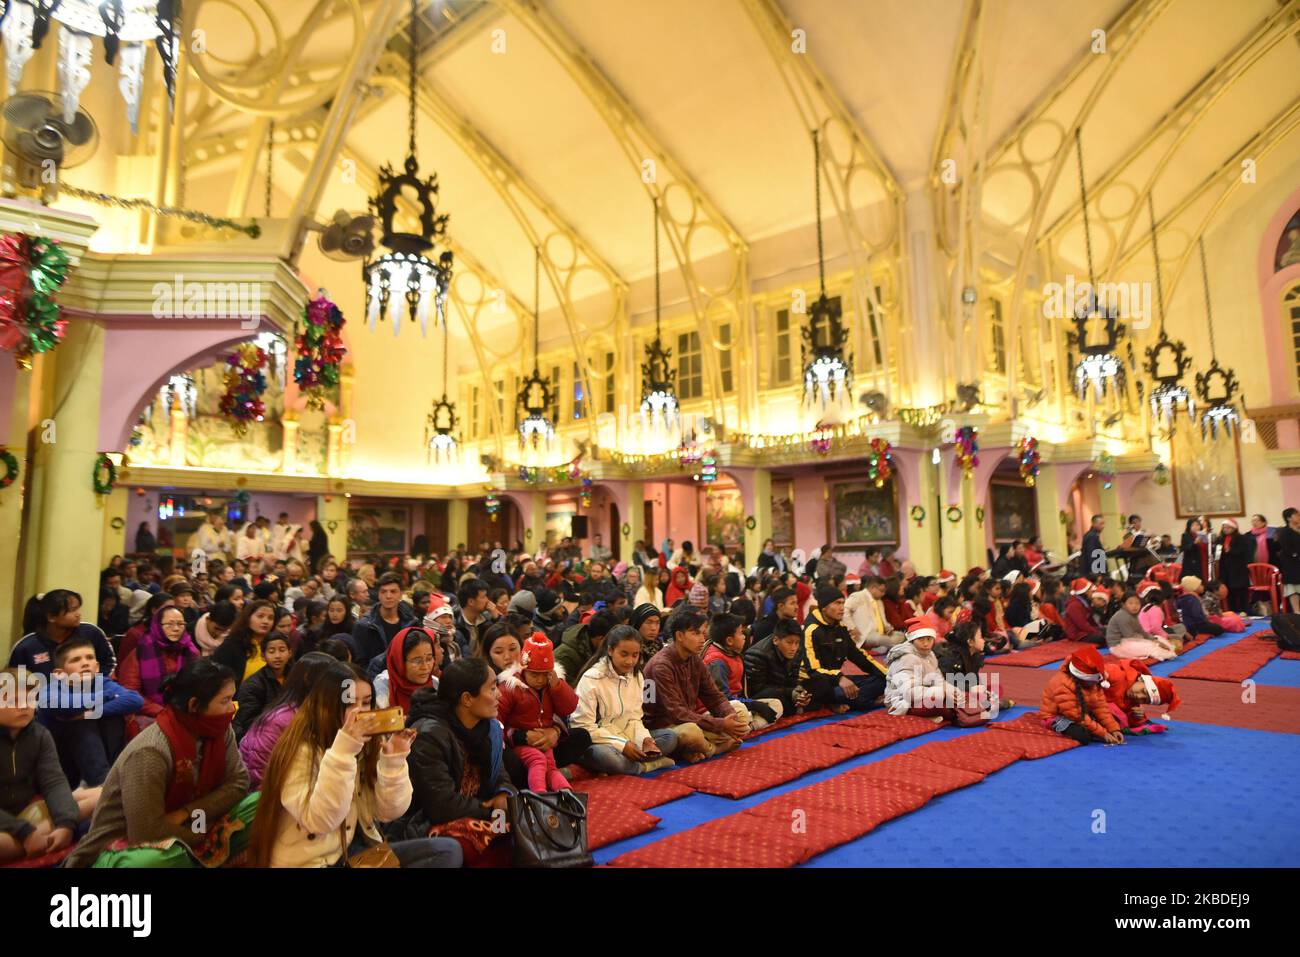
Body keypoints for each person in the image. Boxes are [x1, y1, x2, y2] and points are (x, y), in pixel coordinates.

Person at [247, 664, 459, 868]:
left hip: (357, 851)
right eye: (349, 703)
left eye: (366, 702)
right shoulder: (299, 749)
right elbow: (321, 822)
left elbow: (388, 812)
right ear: (327, 705)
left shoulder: (368, 744)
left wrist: (393, 761)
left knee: (448, 851)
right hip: (313, 860)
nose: (359, 712)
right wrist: (343, 751)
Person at [67, 658, 256, 867]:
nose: (232, 708)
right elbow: (146, 833)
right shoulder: (151, 751)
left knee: (258, 803)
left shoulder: (220, 730)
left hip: (192, 823)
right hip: (129, 847)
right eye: (225, 700)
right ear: (194, 705)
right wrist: (204, 834)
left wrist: (190, 814)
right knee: (150, 861)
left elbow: (238, 782)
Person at [388, 659, 514, 866]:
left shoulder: (486, 727)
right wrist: (492, 810)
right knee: (482, 844)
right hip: (426, 823)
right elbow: (441, 805)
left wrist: (503, 793)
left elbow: (499, 771)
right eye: (492, 688)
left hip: (475, 810)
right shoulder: (429, 736)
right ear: (466, 699)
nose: (499, 694)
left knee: (519, 829)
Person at [0, 668, 90, 863]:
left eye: (31, 699)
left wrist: (66, 824)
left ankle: (41, 837)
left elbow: (54, 781)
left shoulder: (40, 735)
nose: (24, 706)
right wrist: (24, 832)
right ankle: (30, 840)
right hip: (10, 824)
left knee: (99, 797)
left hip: (25, 812)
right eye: (14, 700)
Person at [643, 609, 749, 761]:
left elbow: (714, 696)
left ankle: (695, 748)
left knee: (740, 712)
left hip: (691, 720)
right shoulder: (662, 665)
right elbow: (677, 713)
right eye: (696, 633)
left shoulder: (694, 659)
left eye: (702, 633)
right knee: (691, 732)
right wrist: (721, 725)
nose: (702, 638)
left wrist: (730, 717)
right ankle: (713, 749)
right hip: (666, 727)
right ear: (679, 636)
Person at [572, 626, 679, 775]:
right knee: (605, 757)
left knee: (670, 737)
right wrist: (622, 745)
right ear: (610, 651)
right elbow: (583, 727)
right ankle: (646, 766)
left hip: (628, 736)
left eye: (635, 655)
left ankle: (628, 764)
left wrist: (645, 739)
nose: (630, 661)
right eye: (624, 654)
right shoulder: (592, 679)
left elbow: (635, 717)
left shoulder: (637, 676)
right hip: (601, 741)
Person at [40, 636, 143, 788]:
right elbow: (65, 706)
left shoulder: (101, 682)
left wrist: (92, 712)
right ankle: (102, 784)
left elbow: (135, 700)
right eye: (75, 660)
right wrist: (106, 696)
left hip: (99, 754)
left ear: (97, 666)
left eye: (89, 657)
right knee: (80, 722)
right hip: (61, 760)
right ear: (59, 673)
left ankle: (115, 777)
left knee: (111, 717)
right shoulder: (52, 689)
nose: (85, 663)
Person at [497, 635, 589, 791]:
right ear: (524, 669)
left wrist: (557, 686)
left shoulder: (552, 684)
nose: (540, 680)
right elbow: (496, 722)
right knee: (538, 761)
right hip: (518, 744)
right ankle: (540, 797)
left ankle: (567, 794)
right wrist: (518, 737)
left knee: (551, 766)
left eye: (544, 674)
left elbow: (568, 708)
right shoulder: (510, 687)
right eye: (534, 675)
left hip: (546, 742)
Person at [239, 653, 343, 788]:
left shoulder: (324, 712)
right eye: (331, 681)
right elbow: (257, 771)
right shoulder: (279, 719)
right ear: (308, 680)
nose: (336, 688)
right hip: (270, 794)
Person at [883, 619, 987, 725]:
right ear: (912, 640)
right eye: (920, 639)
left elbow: (939, 681)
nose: (925, 644)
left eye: (929, 639)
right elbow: (908, 692)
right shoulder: (906, 658)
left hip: (925, 694)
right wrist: (943, 692)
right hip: (903, 702)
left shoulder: (930, 655)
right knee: (938, 698)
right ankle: (953, 712)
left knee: (957, 696)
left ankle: (955, 711)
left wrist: (953, 691)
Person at [801, 585, 888, 711]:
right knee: (844, 693)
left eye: (843, 603)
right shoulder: (812, 630)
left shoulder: (840, 627)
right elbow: (813, 671)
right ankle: (870, 701)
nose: (842, 608)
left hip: (837, 680)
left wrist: (888, 675)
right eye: (837, 603)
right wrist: (839, 678)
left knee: (881, 680)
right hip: (817, 684)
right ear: (824, 607)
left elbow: (858, 655)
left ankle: (863, 699)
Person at [117, 606, 201, 736]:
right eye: (169, 624)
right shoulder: (142, 651)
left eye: (180, 624)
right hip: (149, 711)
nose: (176, 628)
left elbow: (200, 684)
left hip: (184, 710)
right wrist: (160, 711)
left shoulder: (191, 651)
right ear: (157, 626)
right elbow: (130, 691)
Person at [10, 590, 117, 680]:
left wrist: (91, 687)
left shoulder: (91, 633)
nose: (78, 614)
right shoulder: (27, 646)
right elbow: (14, 679)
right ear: (51, 617)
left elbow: (109, 663)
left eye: (78, 608)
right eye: (72, 610)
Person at [702, 613, 781, 730]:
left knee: (776, 704)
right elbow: (722, 699)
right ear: (729, 640)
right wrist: (754, 705)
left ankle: (749, 726)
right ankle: (745, 726)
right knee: (742, 711)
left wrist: (753, 704)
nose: (744, 636)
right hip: (719, 708)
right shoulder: (717, 662)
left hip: (738, 702)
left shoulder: (732, 653)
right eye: (740, 633)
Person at [1037, 646, 1124, 745]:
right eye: (1091, 681)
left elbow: (1100, 707)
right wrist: (1103, 733)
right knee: (1083, 736)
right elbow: (1076, 715)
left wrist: (1114, 730)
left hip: (1080, 712)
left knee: (1114, 722)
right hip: (1059, 715)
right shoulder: (1061, 684)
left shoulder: (1093, 683)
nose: (1094, 684)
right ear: (1081, 677)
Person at [744, 619, 828, 716]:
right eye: (789, 642)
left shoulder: (797, 650)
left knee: (821, 681)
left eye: (797, 643)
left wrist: (799, 693)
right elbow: (757, 689)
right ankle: (799, 708)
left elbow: (793, 680)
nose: (793, 648)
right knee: (775, 696)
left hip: (784, 690)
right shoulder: (758, 654)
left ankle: (800, 707)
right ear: (776, 640)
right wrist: (790, 693)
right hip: (765, 694)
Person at [232, 632, 293, 738]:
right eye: (271, 651)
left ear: (290, 653)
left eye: (282, 650)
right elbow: (249, 721)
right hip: (256, 736)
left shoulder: (295, 676)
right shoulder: (252, 684)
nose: (277, 656)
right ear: (263, 656)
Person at [349, 572, 416, 665]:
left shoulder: (412, 623)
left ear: (400, 594)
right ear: (379, 594)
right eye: (383, 591)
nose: (388, 596)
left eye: (393, 591)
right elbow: (359, 663)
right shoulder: (364, 626)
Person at [1102, 659, 1181, 734]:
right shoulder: (1115, 673)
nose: (1139, 697)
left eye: (1144, 700)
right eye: (1143, 691)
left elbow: (1131, 723)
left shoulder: (1132, 704)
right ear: (1140, 679)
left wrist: (1137, 717)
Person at [213, 599, 277, 691]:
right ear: (248, 618)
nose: (266, 621)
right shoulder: (231, 645)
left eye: (270, 618)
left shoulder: (274, 643)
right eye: (260, 616)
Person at [374, 626, 440, 713]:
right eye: (417, 661)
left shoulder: (435, 684)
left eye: (429, 659)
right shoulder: (383, 685)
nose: (425, 667)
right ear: (399, 661)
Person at [1105, 591, 1177, 662]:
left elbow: (1141, 631)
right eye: (1131, 603)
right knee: (1152, 646)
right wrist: (1153, 642)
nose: (1134, 606)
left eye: (1137, 603)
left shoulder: (1134, 615)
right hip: (1118, 645)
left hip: (1129, 640)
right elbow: (1129, 636)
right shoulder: (1122, 616)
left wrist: (1155, 640)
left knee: (1158, 639)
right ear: (1123, 605)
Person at [553, 609, 616, 684]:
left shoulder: (593, 648)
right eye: (612, 640)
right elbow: (562, 688)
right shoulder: (565, 656)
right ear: (601, 638)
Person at [844, 576, 905, 650]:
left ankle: (883, 648)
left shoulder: (879, 601)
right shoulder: (858, 596)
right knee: (881, 639)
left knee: (901, 635)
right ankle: (886, 647)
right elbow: (844, 610)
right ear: (873, 588)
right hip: (865, 635)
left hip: (881, 634)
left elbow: (883, 621)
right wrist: (852, 627)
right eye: (881, 591)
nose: (883, 594)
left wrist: (888, 627)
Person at [1216, 519, 1254, 612]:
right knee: (1229, 590)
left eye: (1228, 527)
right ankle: (1231, 610)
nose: (1226, 529)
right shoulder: (1220, 539)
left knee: (1240, 590)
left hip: (1238, 568)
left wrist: (1231, 551)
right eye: (1224, 528)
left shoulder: (1241, 538)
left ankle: (1243, 611)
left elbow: (1244, 552)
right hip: (1225, 568)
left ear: (1234, 528)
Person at [454, 579, 493, 656]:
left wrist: (496, 617)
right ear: (471, 602)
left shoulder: (486, 618)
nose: (487, 600)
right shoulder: (455, 623)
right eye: (483, 597)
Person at [1062, 578, 1104, 645]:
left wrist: (1100, 628)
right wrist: (1096, 631)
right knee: (1102, 637)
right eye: (1090, 590)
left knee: (1106, 631)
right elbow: (1082, 625)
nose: (1092, 592)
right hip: (1078, 635)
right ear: (1085, 591)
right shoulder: (1074, 605)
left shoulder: (1083, 603)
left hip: (1083, 632)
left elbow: (1091, 621)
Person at [1277, 507, 1300, 613]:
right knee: (1293, 590)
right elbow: (1286, 548)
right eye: (1296, 514)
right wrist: (1296, 555)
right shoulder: (1284, 531)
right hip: (1291, 565)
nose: (1299, 516)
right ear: (1289, 518)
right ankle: (1297, 614)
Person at [630, 602, 663, 667]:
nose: (653, 628)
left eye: (657, 623)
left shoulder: (659, 646)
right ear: (638, 624)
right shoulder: (628, 645)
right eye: (648, 622)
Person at [1081, 514, 1107, 578]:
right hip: (1094, 573)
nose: (1103, 526)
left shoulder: (1092, 535)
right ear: (1094, 524)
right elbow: (1092, 555)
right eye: (1101, 524)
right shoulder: (1092, 536)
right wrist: (1096, 574)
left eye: (1103, 524)